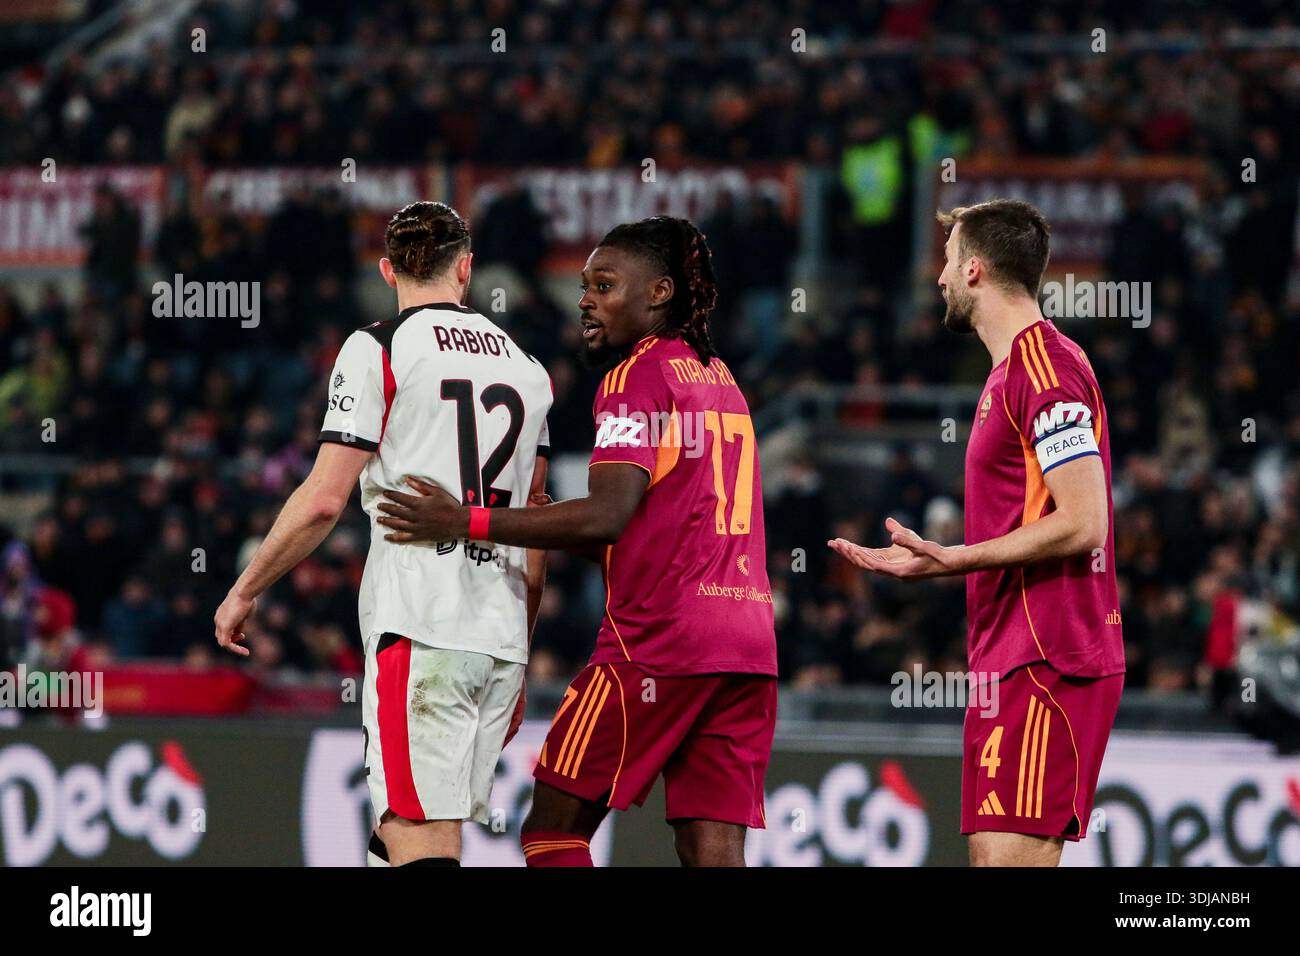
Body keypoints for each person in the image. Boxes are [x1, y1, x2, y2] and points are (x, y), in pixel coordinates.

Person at [375, 216, 778, 867]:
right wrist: (555, 521)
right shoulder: (720, 378)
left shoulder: (636, 377)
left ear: (660, 293)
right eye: (586, 285)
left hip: (658, 643)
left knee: (551, 833)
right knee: (713, 849)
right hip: (747, 644)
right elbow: (663, 531)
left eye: (607, 284)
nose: (586, 299)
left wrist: (468, 521)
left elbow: (609, 516)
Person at [214, 201, 553, 867]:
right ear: (468, 267)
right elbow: (535, 524)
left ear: (388, 271)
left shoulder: (379, 346)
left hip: (424, 623)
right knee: (400, 833)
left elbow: (322, 500)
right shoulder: (529, 369)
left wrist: (246, 588)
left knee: (418, 834)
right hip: (500, 635)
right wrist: (519, 639)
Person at [829, 199, 1125, 867]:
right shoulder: (1011, 373)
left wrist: (956, 556)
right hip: (1007, 656)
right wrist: (944, 565)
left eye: (946, 258)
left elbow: (1084, 521)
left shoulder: (1045, 368)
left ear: (974, 270)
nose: (937, 277)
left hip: (1050, 654)